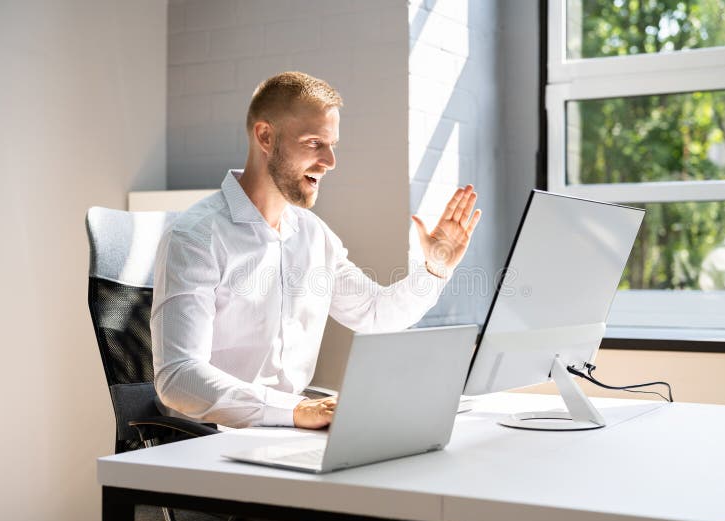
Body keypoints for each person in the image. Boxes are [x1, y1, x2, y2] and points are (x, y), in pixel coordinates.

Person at [151, 71, 482, 430]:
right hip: (213, 442)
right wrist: (293, 411)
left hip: (290, 432)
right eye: (314, 143)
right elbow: (179, 377)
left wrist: (436, 267)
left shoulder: (313, 236)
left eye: (332, 145)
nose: (330, 161)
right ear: (265, 136)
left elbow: (375, 313)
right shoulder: (196, 237)